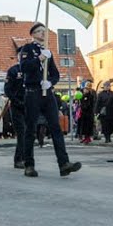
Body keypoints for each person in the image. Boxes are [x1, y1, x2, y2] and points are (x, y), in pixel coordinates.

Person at [17, 22, 82, 178]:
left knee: (56, 128)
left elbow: (55, 74)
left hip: (48, 93)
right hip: (33, 92)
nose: (42, 34)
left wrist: (51, 82)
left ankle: (64, 163)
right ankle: (29, 165)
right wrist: (39, 58)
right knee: (31, 129)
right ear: (33, 34)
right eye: (39, 31)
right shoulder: (27, 49)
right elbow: (24, 67)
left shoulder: (48, 52)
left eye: (44, 31)